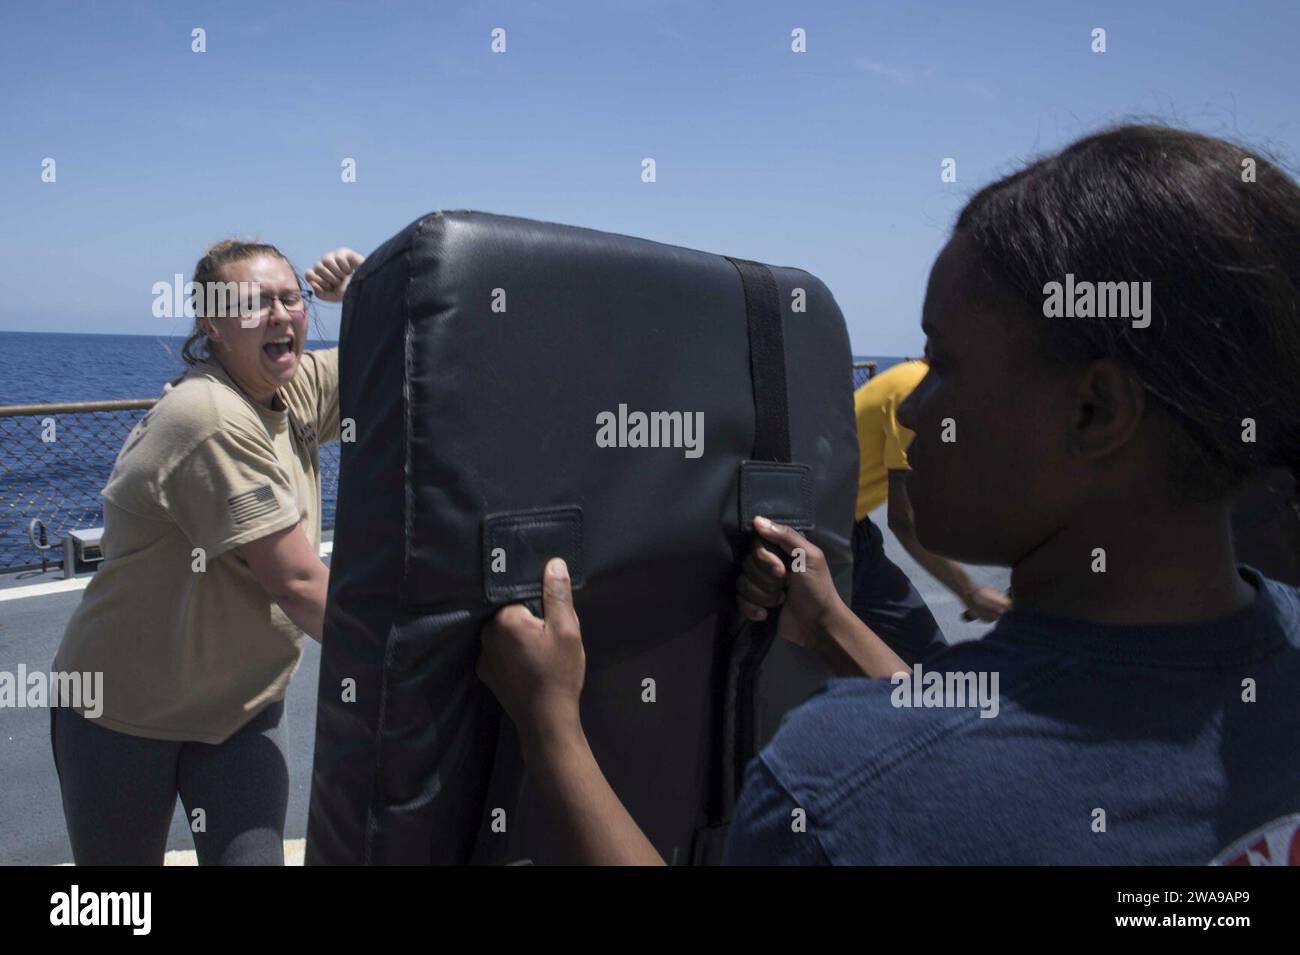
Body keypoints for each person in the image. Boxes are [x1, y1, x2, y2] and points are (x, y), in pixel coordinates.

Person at [477, 125, 1300, 865]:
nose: (910, 405)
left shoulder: (839, 793)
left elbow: (942, 762)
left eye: (942, 364)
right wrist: (831, 621)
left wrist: (552, 729)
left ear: (1095, 410)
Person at [49, 241, 364, 865]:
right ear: (212, 326)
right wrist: (423, 662)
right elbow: (299, 584)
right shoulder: (207, 418)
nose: (280, 314)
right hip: (124, 715)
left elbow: (399, 358)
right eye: (253, 304)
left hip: (239, 712)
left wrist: (365, 296)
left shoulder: (288, 389)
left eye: (290, 298)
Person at [849, 358, 1009, 664]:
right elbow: (904, 520)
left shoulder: (926, 383)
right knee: (927, 662)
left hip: (853, 530)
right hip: (824, 537)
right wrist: (969, 593)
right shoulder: (919, 394)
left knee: (924, 662)